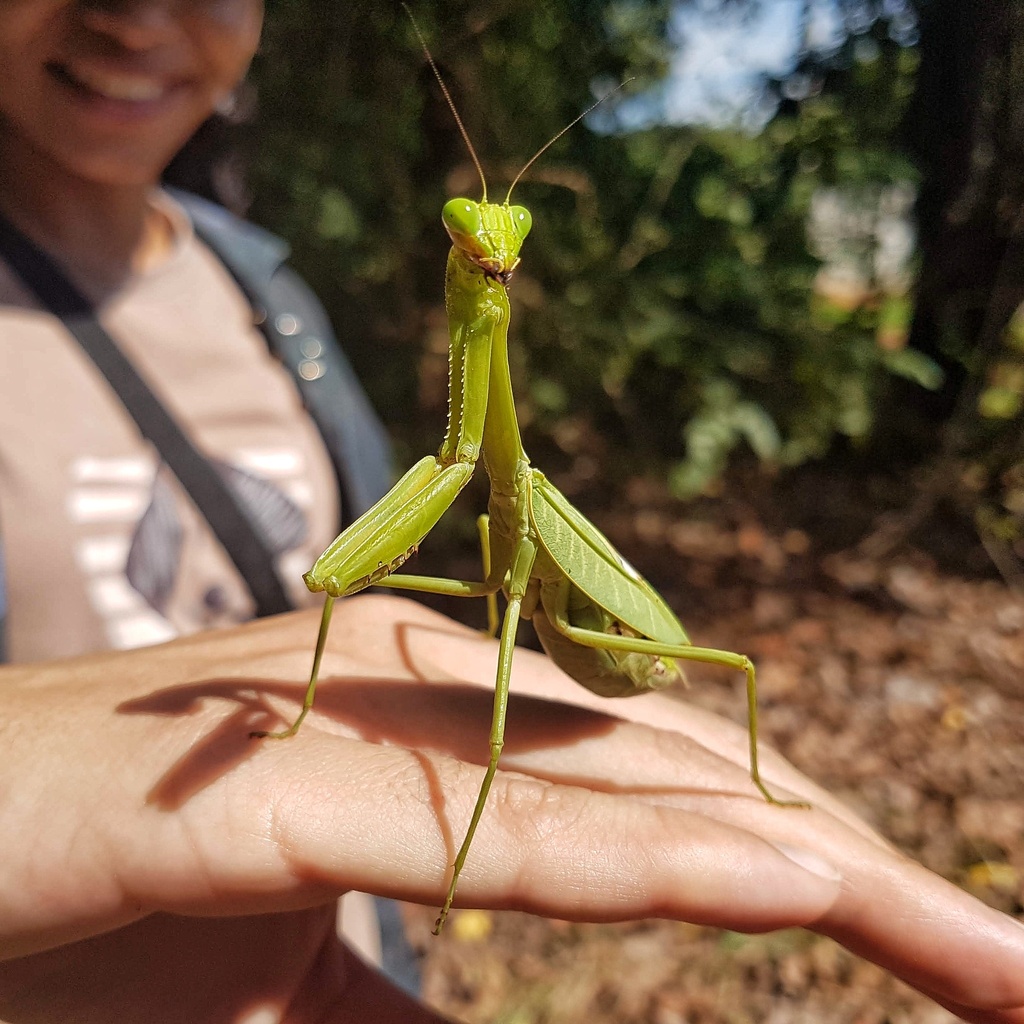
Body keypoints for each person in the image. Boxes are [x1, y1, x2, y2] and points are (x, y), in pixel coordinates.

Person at [0, 3, 1021, 1022]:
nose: (133, 14)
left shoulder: (269, 299)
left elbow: (436, 509)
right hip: (106, 965)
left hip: (341, 943)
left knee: (720, 667)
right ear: (460, 258)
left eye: (506, 243)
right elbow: (390, 538)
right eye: (472, 240)